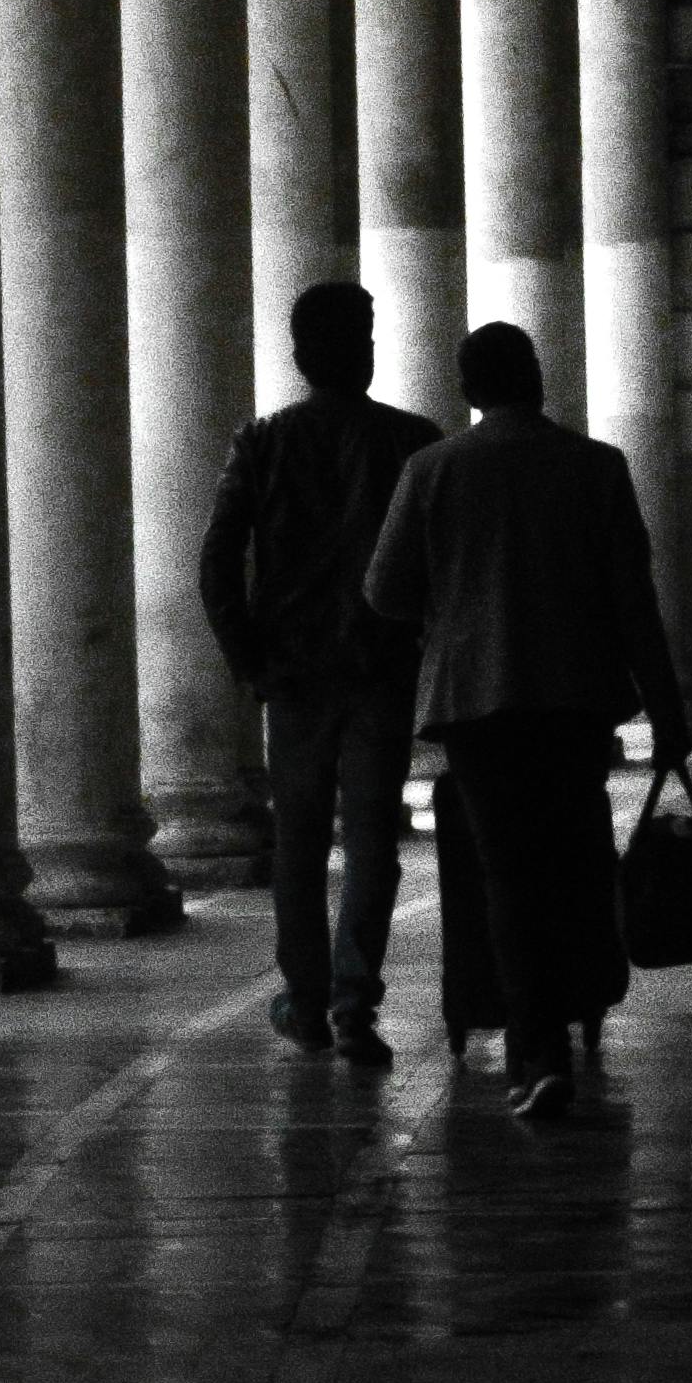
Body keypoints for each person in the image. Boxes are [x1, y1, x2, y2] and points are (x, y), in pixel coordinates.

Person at [363, 322, 687, 1126]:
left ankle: (532, 1048)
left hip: (475, 703)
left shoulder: (430, 471)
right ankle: (579, 1013)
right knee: (575, 859)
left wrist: (447, 616)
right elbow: (633, 601)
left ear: (469, 390)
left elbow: (383, 590)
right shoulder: (595, 467)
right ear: (537, 377)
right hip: (576, 698)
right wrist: (668, 710)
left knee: (505, 874)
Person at [199, 281, 441, 1061]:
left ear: (299, 356)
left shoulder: (261, 443)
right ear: (363, 350)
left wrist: (249, 661)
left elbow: (215, 568)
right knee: (372, 841)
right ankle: (351, 1002)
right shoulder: (412, 442)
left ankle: (305, 1000)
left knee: (298, 844)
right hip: (379, 669)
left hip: (294, 675)